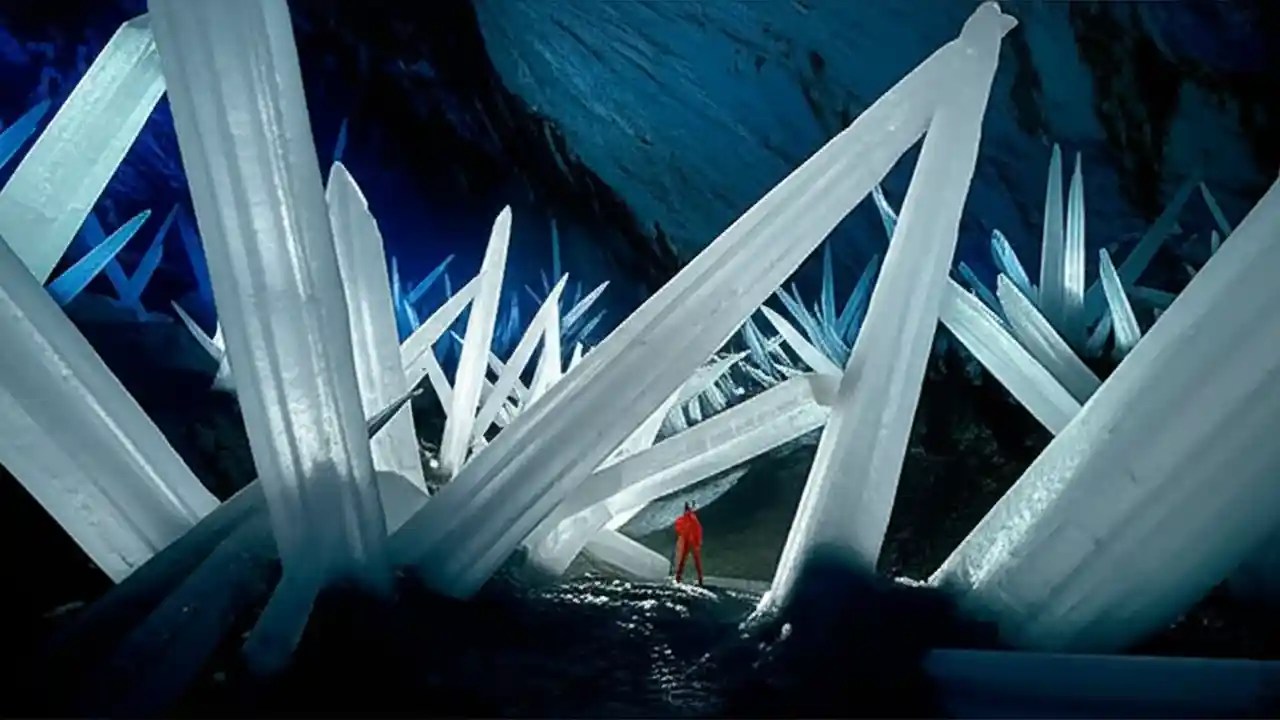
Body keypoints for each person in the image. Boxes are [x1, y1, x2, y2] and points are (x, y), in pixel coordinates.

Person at [673, 501, 704, 586]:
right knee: (693, 560)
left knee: (685, 560)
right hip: (690, 541)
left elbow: (680, 529)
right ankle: (699, 578)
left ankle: (678, 578)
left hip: (689, 541)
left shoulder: (685, 518)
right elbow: (698, 530)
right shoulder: (690, 518)